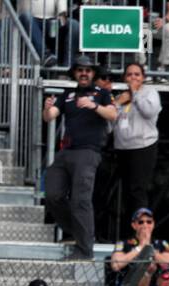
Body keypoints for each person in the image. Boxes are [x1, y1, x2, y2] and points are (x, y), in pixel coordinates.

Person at [42, 56, 116, 259]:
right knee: (52, 195)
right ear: (75, 72)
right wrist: (48, 108)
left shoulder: (102, 93)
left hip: (88, 152)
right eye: (80, 70)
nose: (84, 73)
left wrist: (93, 106)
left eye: (88, 70)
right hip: (66, 152)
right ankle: (79, 233)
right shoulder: (68, 93)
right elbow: (50, 116)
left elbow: (113, 114)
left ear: (93, 74)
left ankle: (84, 250)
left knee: (80, 200)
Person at [113, 62, 161, 216]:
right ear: (124, 78)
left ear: (143, 78)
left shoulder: (150, 92)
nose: (133, 77)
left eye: (136, 74)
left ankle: (142, 229)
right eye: (129, 74)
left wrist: (135, 93)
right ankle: (130, 233)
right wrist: (118, 102)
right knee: (126, 192)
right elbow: (110, 120)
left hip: (143, 147)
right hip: (122, 148)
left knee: (138, 190)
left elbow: (149, 112)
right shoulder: (121, 95)